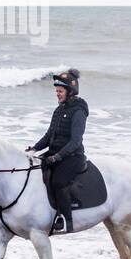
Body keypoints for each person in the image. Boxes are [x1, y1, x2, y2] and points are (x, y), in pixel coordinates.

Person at [28, 68, 88, 233]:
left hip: (73, 157)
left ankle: (65, 219)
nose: (57, 94)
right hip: (55, 154)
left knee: (58, 181)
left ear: (70, 92)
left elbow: (75, 141)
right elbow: (49, 136)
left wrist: (58, 157)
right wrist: (33, 149)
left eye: (60, 91)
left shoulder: (79, 111)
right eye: (57, 91)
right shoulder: (59, 110)